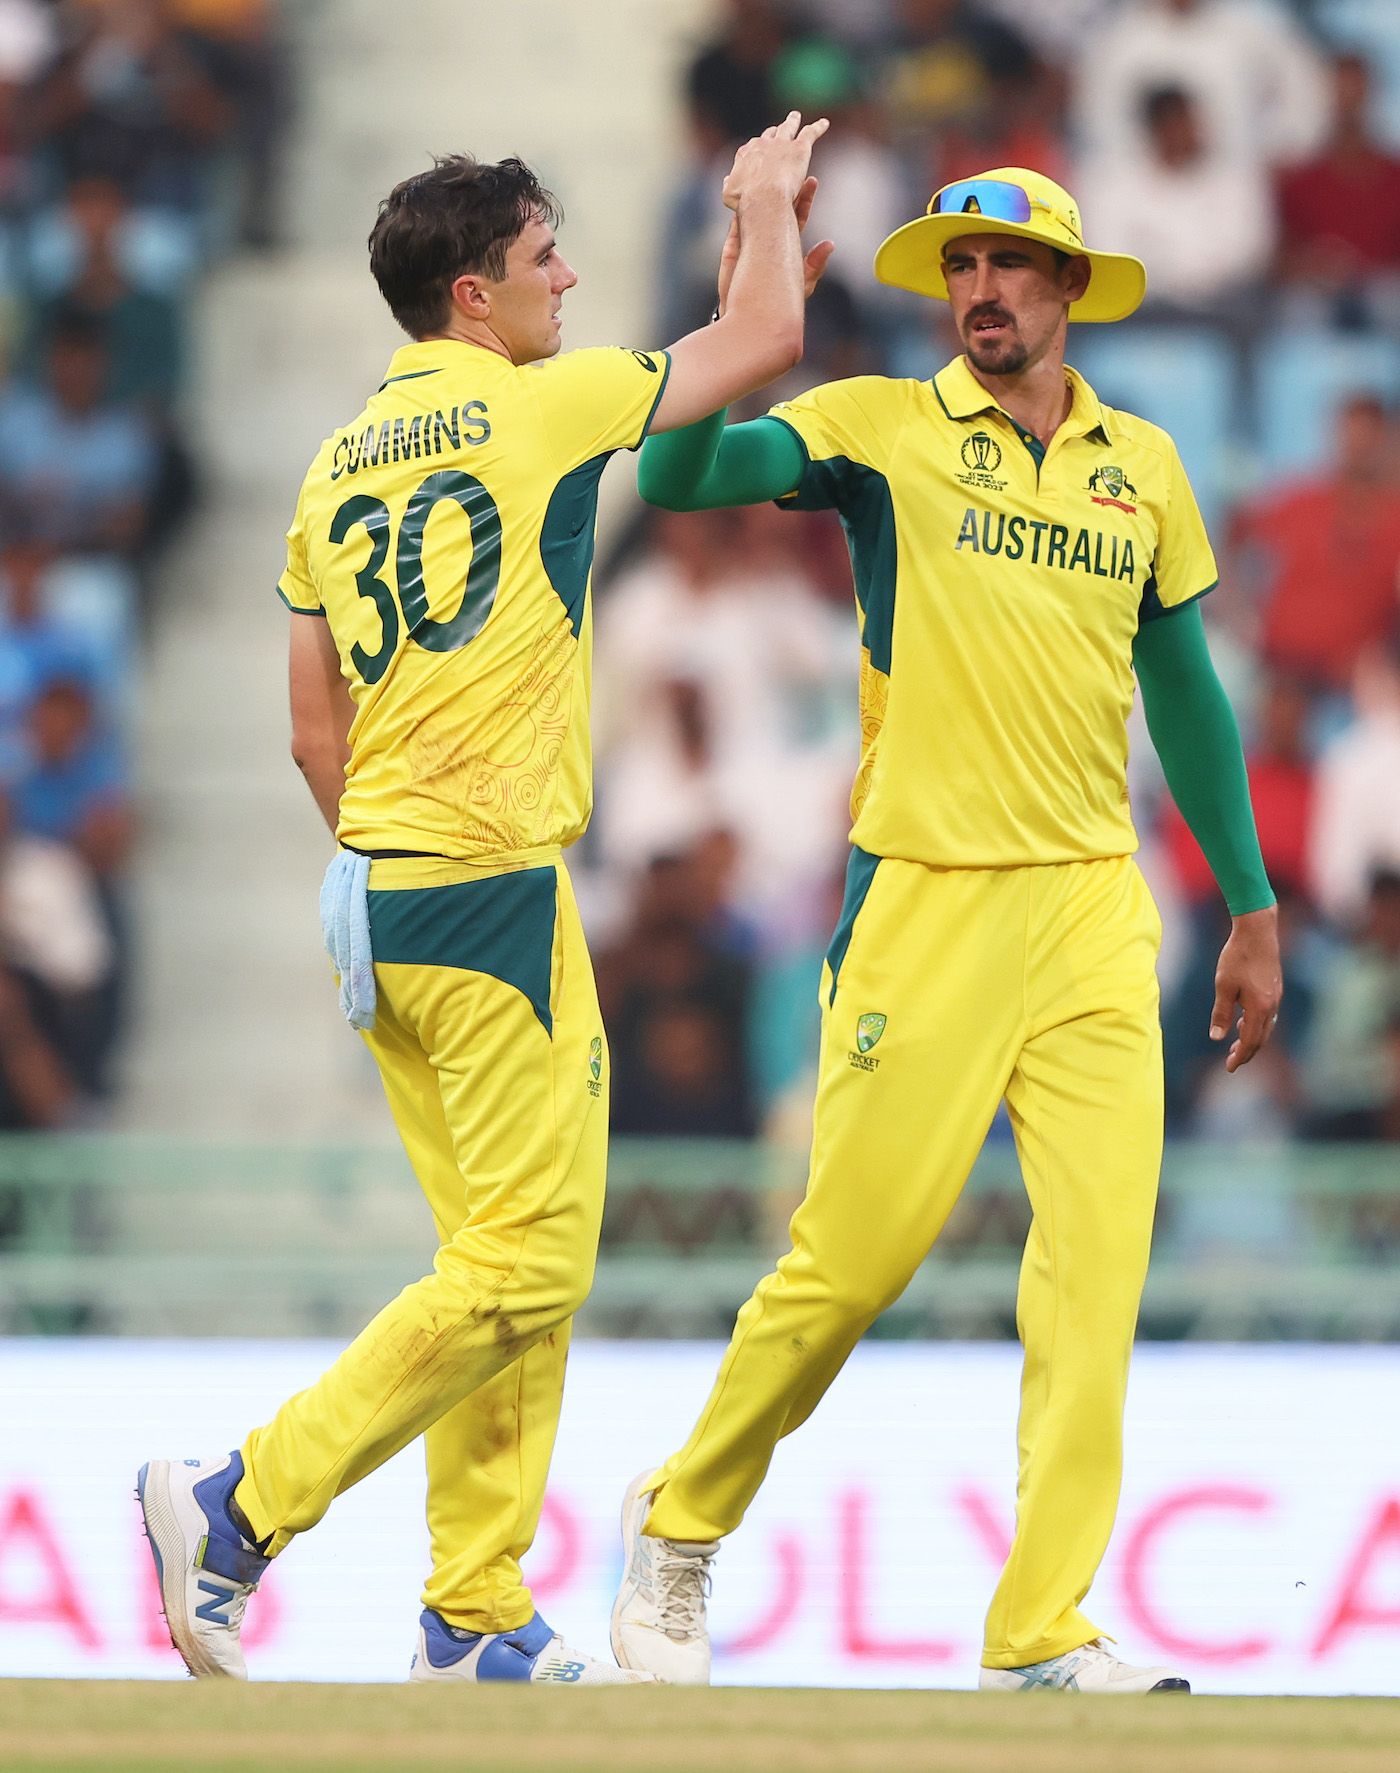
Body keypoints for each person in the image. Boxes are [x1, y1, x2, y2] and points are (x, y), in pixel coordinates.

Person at [137, 115, 832, 1684]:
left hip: (375, 891)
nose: (567, 277)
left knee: (498, 1255)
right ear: (474, 296)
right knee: (531, 1260)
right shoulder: (538, 409)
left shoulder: (331, 465)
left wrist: (385, 845)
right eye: (541, 256)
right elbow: (769, 338)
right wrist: (767, 204)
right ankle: (240, 1496)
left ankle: (473, 1606)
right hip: (493, 890)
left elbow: (313, 732)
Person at [610, 165, 1282, 1693]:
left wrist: (1248, 901)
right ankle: (678, 1516)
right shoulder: (876, 430)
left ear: (1068, 287)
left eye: (1011, 264)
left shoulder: (1146, 469)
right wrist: (742, 323)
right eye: (959, 265)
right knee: (849, 1266)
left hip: (1093, 910)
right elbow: (679, 482)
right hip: (925, 900)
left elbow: (1181, 687)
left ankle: (1041, 1625)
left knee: (1098, 1273)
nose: (981, 288)